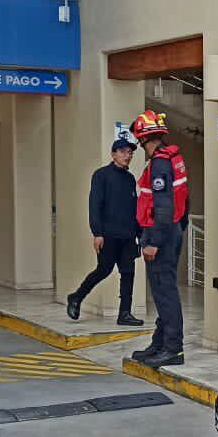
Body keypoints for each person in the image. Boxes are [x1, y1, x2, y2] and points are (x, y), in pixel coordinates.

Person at [130, 110, 188, 368]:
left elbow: (162, 205)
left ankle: (173, 348)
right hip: (171, 230)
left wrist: (153, 241)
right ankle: (160, 343)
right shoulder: (173, 157)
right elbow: (182, 200)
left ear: (143, 138)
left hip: (160, 234)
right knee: (164, 291)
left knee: (165, 293)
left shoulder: (160, 163)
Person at [66, 134, 144, 326]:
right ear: (113, 154)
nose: (127, 156)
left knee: (128, 273)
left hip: (128, 236)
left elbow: (134, 209)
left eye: (130, 153)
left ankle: (124, 313)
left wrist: (140, 235)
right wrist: (97, 233)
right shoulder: (101, 175)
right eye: (123, 152)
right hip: (108, 234)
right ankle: (76, 297)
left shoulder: (130, 178)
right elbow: (95, 205)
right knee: (104, 270)